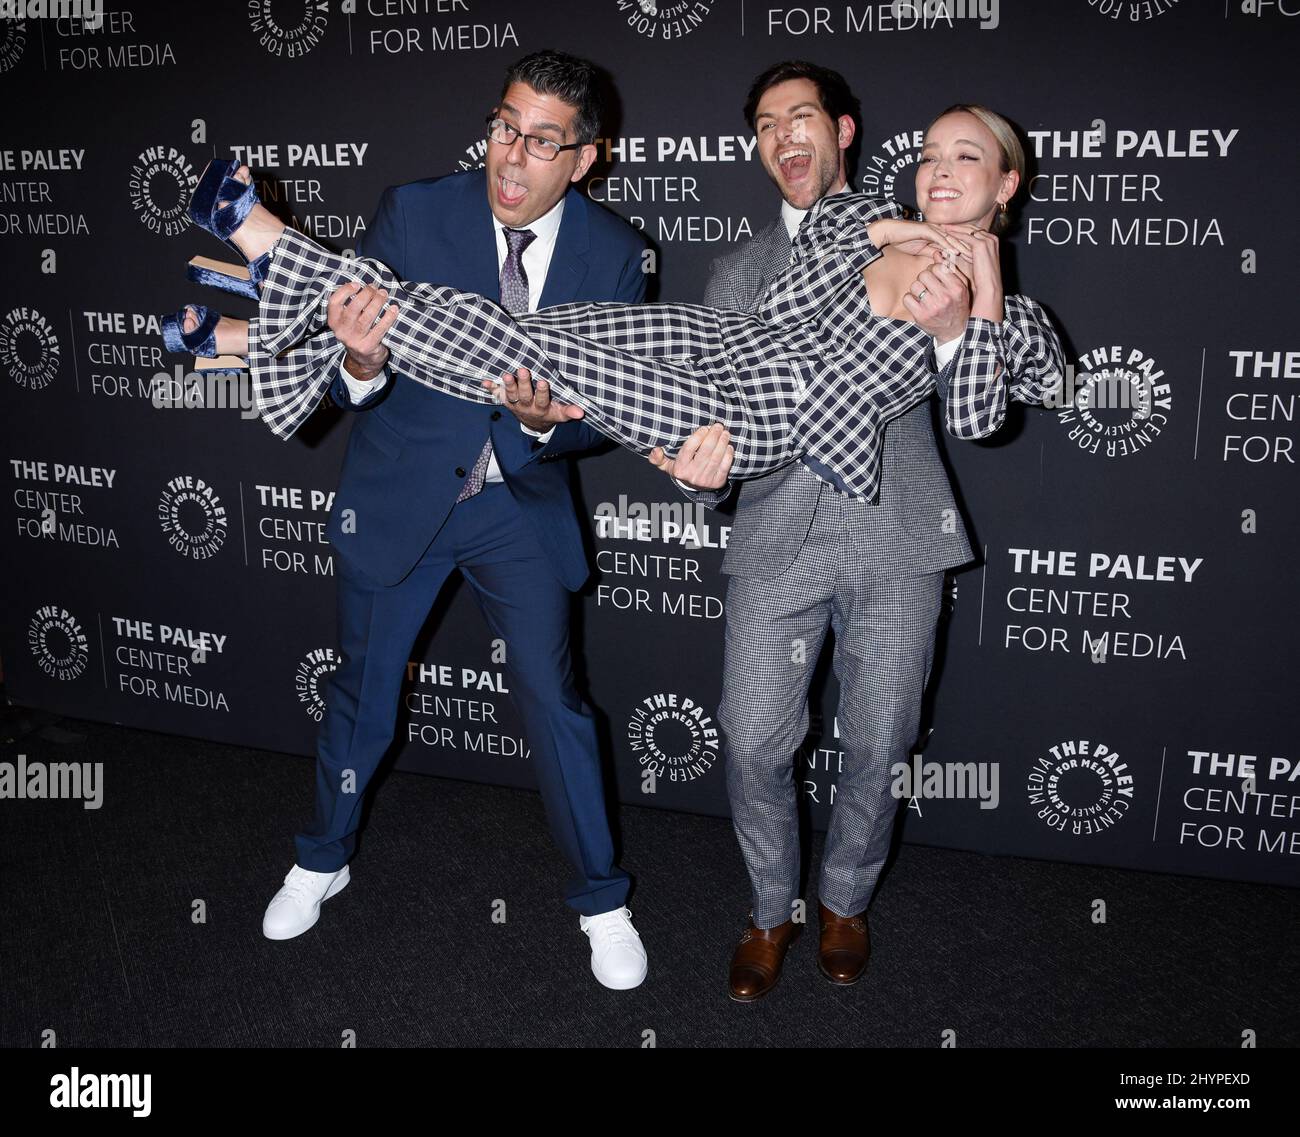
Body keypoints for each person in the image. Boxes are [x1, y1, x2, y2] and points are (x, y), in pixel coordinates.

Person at [192, 50, 656, 991]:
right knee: (362, 694)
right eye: (503, 126)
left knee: (557, 707)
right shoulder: (415, 209)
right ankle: (322, 855)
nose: (512, 157)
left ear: (585, 158)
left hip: (516, 508)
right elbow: (356, 371)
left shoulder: (615, 252)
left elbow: (605, 410)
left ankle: (602, 898)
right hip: (403, 498)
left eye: (541, 141)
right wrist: (361, 361)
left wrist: (543, 422)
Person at [670, 68, 1062, 1000]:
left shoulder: (929, 249)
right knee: (754, 740)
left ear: (842, 130)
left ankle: (844, 897)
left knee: (881, 739)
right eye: (765, 125)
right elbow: (710, 407)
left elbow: (1011, 383)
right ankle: (772, 907)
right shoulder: (736, 273)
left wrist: (979, 312)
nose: (783, 135)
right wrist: (693, 459)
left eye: (800, 116)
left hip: (898, 537)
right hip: (774, 536)